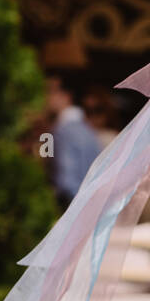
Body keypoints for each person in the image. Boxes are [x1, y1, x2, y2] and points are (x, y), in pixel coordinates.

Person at [45, 78, 102, 206]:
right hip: (90, 204)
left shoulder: (62, 130)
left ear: (66, 96)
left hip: (72, 207)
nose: (45, 97)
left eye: (50, 91)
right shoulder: (87, 129)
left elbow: (66, 182)